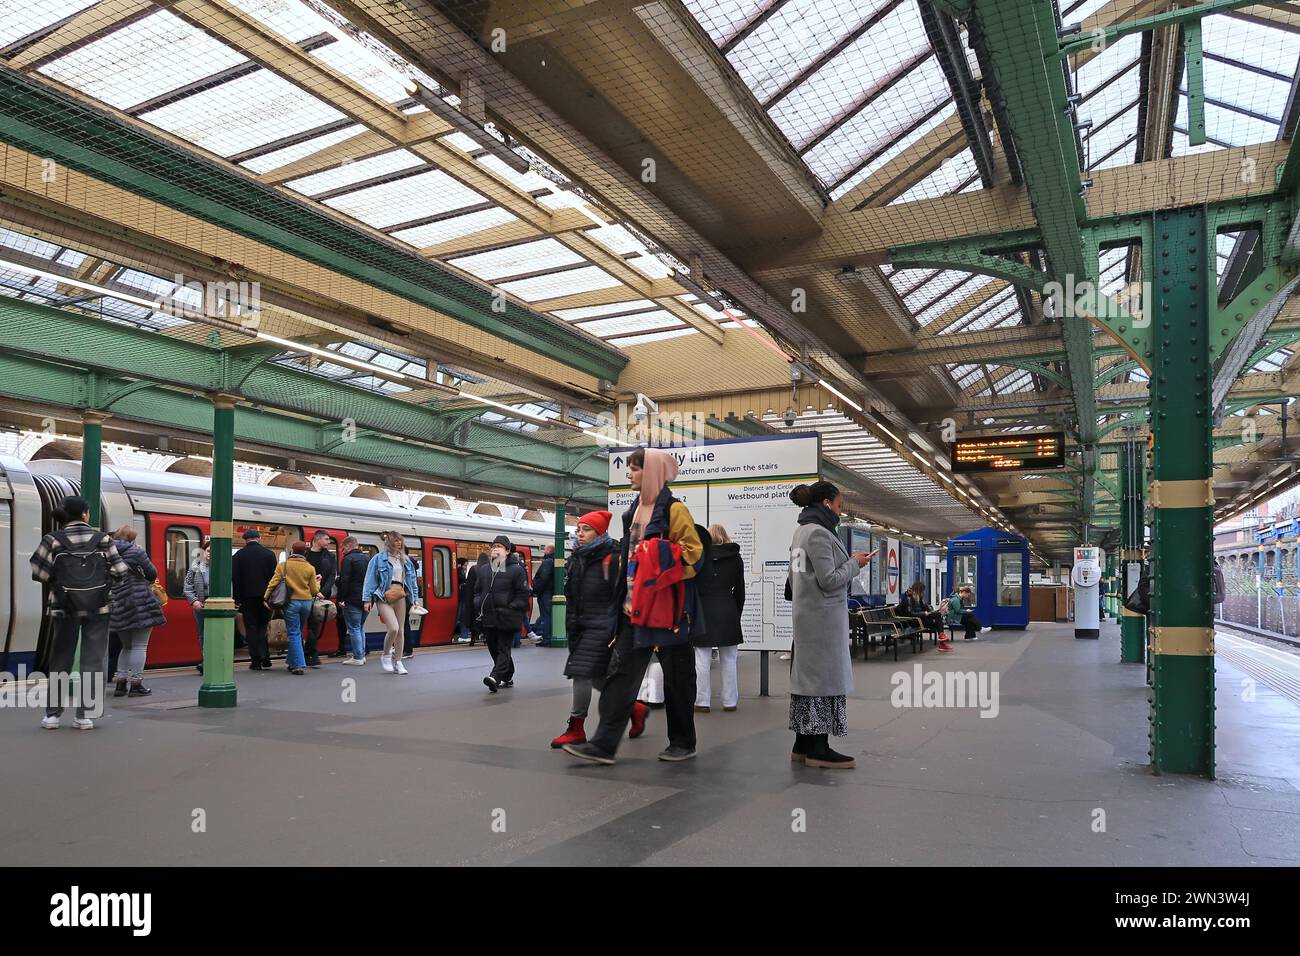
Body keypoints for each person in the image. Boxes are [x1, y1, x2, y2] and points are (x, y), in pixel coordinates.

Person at [564, 447, 703, 765]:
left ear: (652, 472)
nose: (630, 473)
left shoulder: (674, 510)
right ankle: (603, 745)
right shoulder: (635, 510)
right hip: (634, 610)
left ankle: (683, 741)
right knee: (620, 678)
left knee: (678, 678)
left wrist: (658, 565)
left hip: (667, 612)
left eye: (636, 468)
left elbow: (693, 555)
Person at [788, 481, 872, 769]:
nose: (840, 511)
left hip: (808, 616)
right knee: (822, 682)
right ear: (826, 503)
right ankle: (818, 749)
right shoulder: (819, 534)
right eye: (838, 505)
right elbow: (830, 580)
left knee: (807, 681)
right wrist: (855, 563)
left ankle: (802, 744)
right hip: (821, 620)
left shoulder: (801, 531)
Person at [30, 495, 129, 730]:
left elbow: (38, 572)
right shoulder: (103, 539)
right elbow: (120, 572)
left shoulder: (52, 540)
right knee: (93, 660)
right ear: (85, 514)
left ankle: (53, 715)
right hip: (98, 607)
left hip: (63, 607)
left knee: (61, 658)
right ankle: (84, 715)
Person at [550, 511, 624, 748]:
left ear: (600, 532)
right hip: (580, 626)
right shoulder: (576, 559)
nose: (580, 534)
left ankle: (576, 728)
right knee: (599, 679)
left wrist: (616, 630)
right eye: (579, 529)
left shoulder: (611, 558)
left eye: (587, 529)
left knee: (581, 672)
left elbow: (620, 596)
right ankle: (635, 709)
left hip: (601, 626)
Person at [693, 523, 745, 713]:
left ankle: (702, 701)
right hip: (727, 608)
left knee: (701, 660)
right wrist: (736, 612)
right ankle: (730, 701)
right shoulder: (735, 558)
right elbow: (740, 589)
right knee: (730, 659)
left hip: (704, 610)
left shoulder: (700, 557)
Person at [107, 526, 164, 697]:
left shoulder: (107, 553)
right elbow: (152, 573)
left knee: (126, 646)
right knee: (140, 646)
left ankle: (120, 684)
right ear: (132, 539)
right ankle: (136, 684)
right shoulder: (136, 552)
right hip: (139, 601)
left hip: (118, 602)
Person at [477, 535, 530, 692]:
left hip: (507, 615)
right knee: (493, 647)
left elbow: (523, 593)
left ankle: (495, 677)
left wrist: (511, 607)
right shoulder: (485, 569)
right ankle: (508, 676)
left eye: (499, 546)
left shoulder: (517, 570)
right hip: (489, 614)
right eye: (493, 546)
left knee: (503, 647)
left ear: (507, 551)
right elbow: (478, 591)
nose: (495, 549)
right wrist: (477, 603)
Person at [362, 532, 421, 675]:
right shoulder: (378, 559)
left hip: (400, 595)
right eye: (396, 541)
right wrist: (367, 599)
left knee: (401, 631)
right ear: (389, 542)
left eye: (400, 541)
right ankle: (386, 654)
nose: (399, 543)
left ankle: (399, 662)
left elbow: (412, 581)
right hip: (383, 596)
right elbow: (370, 580)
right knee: (393, 628)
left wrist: (415, 599)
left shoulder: (405, 560)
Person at [264, 540, 318, 674]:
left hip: (291, 603)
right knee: (297, 632)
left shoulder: (283, 566)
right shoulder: (310, 568)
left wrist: (266, 597)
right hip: (306, 602)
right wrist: (318, 582)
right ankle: (292, 662)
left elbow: (273, 583)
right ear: (305, 552)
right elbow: (314, 590)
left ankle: (299, 665)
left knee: (293, 633)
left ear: (291, 551)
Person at [232, 528, 277, 670]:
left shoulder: (238, 556)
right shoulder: (269, 555)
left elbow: (236, 579)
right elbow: (274, 579)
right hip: (265, 598)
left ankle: (256, 661)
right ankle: (266, 657)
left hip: (247, 598)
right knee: (263, 626)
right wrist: (270, 597)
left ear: (245, 540)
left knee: (251, 628)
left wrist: (237, 599)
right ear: (259, 538)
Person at [304, 530, 337, 666]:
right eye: (326, 539)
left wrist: (322, 591)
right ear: (317, 539)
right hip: (305, 594)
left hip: (322, 595)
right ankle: (310, 654)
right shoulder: (305, 555)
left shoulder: (329, 556)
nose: (328, 542)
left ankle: (311, 654)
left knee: (314, 624)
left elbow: (331, 575)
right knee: (306, 624)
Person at [336, 536, 369, 664]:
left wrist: (342, 598)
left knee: (354, 628)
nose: (342, 551)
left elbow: (345, 580)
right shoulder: (367, 559)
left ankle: (357, 657)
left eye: (343, 548)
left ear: (348, 546)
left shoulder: (348, 559)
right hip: (366, 599)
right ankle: (362, 654)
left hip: (352, 599)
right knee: (360, 627)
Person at [898, 580, 952, 653]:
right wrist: (923, 613)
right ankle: (942, 643)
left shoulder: (919, 598)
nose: (923, 593)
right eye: (922, 591)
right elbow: (909, 613)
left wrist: (932, 610)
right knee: (937, 623)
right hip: (914, 621)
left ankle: (942, 637)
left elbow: (925, 608)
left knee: (938, 615)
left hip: (921, 619)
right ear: (918, 590)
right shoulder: (908, 599)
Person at [183, 542, 210, 673]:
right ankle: (207, 660)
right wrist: (194, 601)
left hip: (218, 607)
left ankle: (215, 661)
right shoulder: (195, 567)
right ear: (203, 552)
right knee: (203, 634)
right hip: (201, 607)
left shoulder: (224, 567)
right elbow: (187, 586)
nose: (211, 554)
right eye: (209, 551)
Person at [530, 544, 556, 642]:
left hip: (545, 593)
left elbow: (543, 578)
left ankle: (547, 638)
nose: (543, 551)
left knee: (546, 616)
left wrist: (535, 589)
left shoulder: (548, 562)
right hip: (549, 592)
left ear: (549, 550)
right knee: (548, 615)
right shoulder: (554, 561)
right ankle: (548, 637)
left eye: (545, 549)